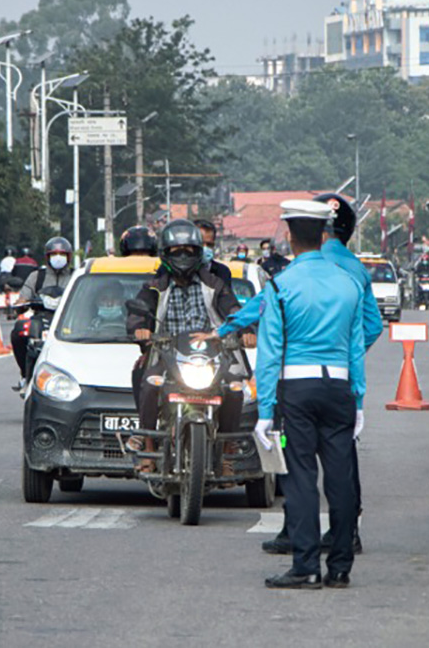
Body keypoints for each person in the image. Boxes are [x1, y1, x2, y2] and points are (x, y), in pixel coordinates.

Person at [255, 200, 364, 590]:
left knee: (300, 476)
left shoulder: (280, 286)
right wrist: (360, 398)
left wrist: (265, 410)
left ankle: (305, 566)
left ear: (289, 237)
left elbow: (269, 354)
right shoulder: (348, 283)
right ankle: (340, 567)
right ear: (323, 237)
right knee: (341, 477)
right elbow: (355, 347)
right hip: (339, 388)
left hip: (295, 391)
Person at [125, 220, 251, 474]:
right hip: (168, 354)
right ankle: (148, 448)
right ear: (165, 253)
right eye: (176, 251)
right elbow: (140, 310)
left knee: (235, 387)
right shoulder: (155, 285)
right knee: (149, 382)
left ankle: (227, 452)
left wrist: (246, 330)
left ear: (198, 253)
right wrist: (140, 328)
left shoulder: (214, 284)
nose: (183, 256)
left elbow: (233, 309)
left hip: (210, 355)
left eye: (189, 250)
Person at [10, 237, 74, 385]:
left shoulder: (74, 276)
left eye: (62, 255)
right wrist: (21, 303)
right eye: (54, 254)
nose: (58, 258)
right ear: (47, 257)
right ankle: (26, 374)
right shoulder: (37, 276)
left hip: (69, 321)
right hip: (40, 319)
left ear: (68, 257)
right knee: (19, 331)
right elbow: (23, 297)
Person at [193, 219, 233, 286]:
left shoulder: (222, 272)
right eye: (201, 244)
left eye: (209, 245)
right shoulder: (184, 272)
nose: (205, 248)